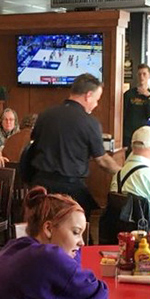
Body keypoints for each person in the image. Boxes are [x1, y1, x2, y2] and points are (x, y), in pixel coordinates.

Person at [27, 74, 120, 216]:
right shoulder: (90, 123)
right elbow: (102, 160)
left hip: (40, 188)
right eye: (97, 100)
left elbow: (34, 145)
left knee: (40, 230)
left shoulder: (45, 115)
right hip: (70, 192)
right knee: (77, 235)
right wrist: (123, 172)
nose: (96, 104)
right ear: (88, 95)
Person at [122, 63, 150, 148]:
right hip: (128, 134)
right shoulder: (129, 94)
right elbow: (122, 113)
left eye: (144, 74)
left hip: (144, 134)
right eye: (139, 74)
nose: (142, 76)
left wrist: (148, 97)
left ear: (149, 76)